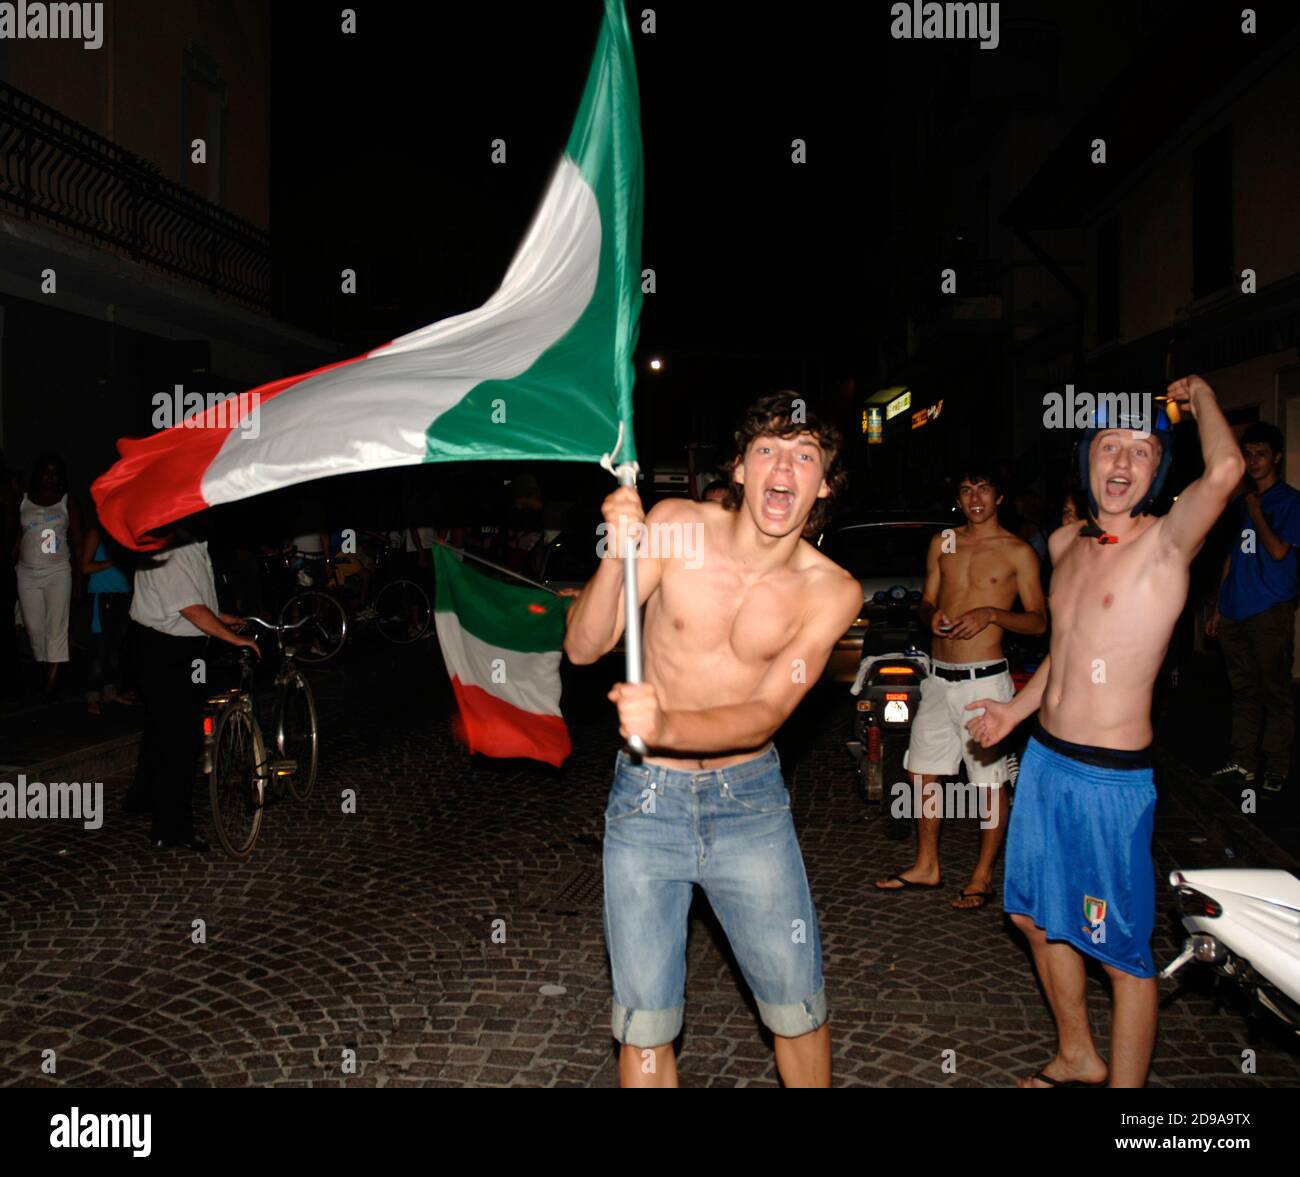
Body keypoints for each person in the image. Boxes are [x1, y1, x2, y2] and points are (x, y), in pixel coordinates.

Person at [565, 392, 861, 1088]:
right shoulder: (677, 527)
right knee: (644, 1023)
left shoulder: (832, 591)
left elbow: (764, 712)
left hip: (749, 804)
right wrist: (618, 554)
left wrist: (666, 725)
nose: (784, 466)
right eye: (768, 449)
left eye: (805, 455)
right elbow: (584, 646)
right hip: (646, 803)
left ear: (824, 485)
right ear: (740, 465)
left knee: (796, 1006)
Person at [966, 376, 1242, 1087]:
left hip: (1109, 778)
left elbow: (1228, 470)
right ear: (1086, 458)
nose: (1123, 461)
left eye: (1143, 451)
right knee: (1032, 918)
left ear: (1158, 471)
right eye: (1110, 445)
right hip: (1046, 762)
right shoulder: (1064, 544)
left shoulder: (1166, 544)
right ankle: (1076, 1054)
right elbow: (1070, 646)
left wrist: (1202, 392)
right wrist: (1013, 712)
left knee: (1119, 950)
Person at [875, 469, 1046, 909]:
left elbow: (1039, 621)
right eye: (967, 490)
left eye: (984, 489)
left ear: (999, 496)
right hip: (937, 676)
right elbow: (928, 600)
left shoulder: (1017, 551)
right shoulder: (944, 542)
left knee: (988, 783)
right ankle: (927, 865)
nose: (975, 498)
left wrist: (992, 613)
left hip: (984, 679)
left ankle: (982, 876)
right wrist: (929, 615)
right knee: (922, 772)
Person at [123, 524, 259, 851]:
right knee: (181, 741)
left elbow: (194, 600)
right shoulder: (172, 547)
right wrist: (234, 638)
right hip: (165, 649)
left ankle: (142, 797)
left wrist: (220, 618)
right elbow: (189, 608)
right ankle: (170, 830)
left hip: (183, 648)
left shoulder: (189, 541)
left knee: (162, 729)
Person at [1204, 421, 1300, 794]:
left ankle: (1277, 763)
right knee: (1242, 690)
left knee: (1273, 689)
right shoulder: (1241, 505)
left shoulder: (1288, 501)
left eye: (1261, 453)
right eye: (1248, 453)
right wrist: (1218, 606)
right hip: (1234, 608)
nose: (1253, 460)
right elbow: (1232, 555)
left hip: (1269, 608)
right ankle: (1243, 761)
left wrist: (1253, 506)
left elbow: (1278, 550)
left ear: (1276, 457)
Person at [15, 453, 82, 701]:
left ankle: (51, 683)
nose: (51, 477)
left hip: (58, 572)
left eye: (55, 473)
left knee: (56, 626)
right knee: (34, 628)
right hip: (27, 572)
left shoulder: (67, 502)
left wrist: (79, 579)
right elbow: (16, 537)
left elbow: (78, 542)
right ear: (38, 474)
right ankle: (47, 669)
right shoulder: (23, 501)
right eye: (47, 472)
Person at [81, 513, 135, 714]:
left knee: (115, 648)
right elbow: (85, 567)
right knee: (99, 647)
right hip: (102, 596)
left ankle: (111, 691)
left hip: (123, 595)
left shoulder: (123, 534)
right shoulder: (96, 533)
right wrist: (114, 562)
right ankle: (92, 695)